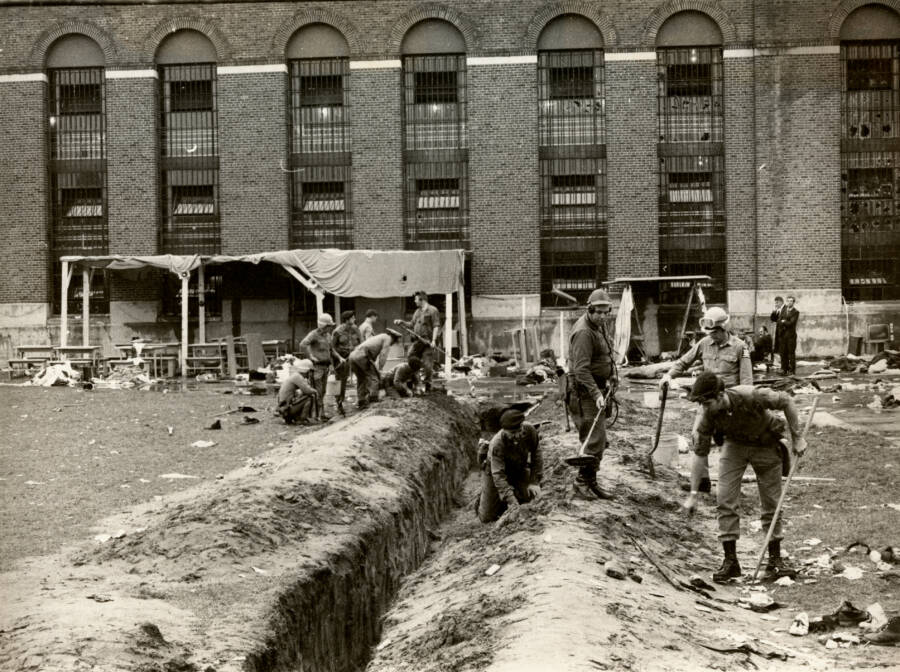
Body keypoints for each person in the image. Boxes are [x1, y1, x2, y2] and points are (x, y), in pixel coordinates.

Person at [684, 372, 806, 583]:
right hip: (735, 446)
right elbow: (700, 453)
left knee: (771, 503)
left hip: (766, 443)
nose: (703, 408)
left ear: (721, 395)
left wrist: (797, 438)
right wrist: (693, 494)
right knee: (725, 499)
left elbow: (786, 400)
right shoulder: (709, 415)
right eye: (701, 404)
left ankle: (775, 560)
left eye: (707, 402)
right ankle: (731, 562)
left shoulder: (752, 395)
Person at [660, 306, 752, 495]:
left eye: (716, 332)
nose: (713, 336)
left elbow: (747, 382)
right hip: (707, 403)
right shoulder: (704, 343)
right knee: (698, 438)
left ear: (725, 328)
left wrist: (743, 407)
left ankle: (730, 485)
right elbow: (684, 361)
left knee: (730, 445)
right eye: (710, 332)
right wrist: (669, 375)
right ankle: (703, 482)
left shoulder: (740, 347)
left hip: (728, 404)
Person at [565, 288, 617, 500]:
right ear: (590, 310)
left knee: (599, 438)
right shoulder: (584, 332)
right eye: (599, 312)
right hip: (585, 392)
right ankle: (581, 482)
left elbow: (605, 355)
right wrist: (596, 393)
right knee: (594, 439)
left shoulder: (598, 326)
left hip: (598, 387)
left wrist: (612, 374)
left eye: (607, 313)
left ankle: (591, 481)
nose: (604, 317)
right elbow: (581, 369)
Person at [476, 409, 543, 524]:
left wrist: (534, 482)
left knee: (531, 498)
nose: (516, 436)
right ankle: (483, 498)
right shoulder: (497, 444)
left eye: (518, 432)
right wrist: (513, 503)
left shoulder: (530, 430)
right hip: (493, 473)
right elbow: (498, 476)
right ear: (504, 431)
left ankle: (512, 492)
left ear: (522, 426)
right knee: (487, 517)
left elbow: (536, 454)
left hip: (518, 469)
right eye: (511, 434)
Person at [394, 291, 442, 390]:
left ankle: (428, 384)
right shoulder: (417, 312)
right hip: (417, 341)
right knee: (411, 359)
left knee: (427, 365)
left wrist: (433, 340)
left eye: (416, 299)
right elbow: (411, 324)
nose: (414, 301)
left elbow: (436, 326)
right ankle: (413, 380)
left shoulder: (433, 310)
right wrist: (401, 322)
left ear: (422, 300)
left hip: (428, 342)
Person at [348, 328, 401, 410]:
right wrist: (380, 369)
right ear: (394, 338)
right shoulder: (388, 339)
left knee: (361, 379)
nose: (392, 344)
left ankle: (361, 401)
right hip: (362, 356)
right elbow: (383, 355)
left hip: (353, 356)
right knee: (374, 378)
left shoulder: (380, 337)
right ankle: (373, 399)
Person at [299, 313, 336, 421]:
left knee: (323, 391)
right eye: (329, 326)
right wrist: (310, 356)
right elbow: (303, 344)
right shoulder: (314, 334)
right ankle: (317, 414)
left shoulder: (328, 336)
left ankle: (321, 413)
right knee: (317, 391)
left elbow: (330, 351)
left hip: (325, 366)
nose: (330, 328)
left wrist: (332, 364)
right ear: (324, 326)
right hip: (317, 368)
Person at [332, 310, 362, 415]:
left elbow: (361, 343)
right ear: (347, 320)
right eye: (353, 318)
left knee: (361, 376)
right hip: (341, 359)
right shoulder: (337, 331)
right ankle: (339, 403)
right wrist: (339, 358)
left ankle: (362, 401)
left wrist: (357, 350)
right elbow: (332, 347)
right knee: (341, 382)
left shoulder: (356, 329)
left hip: (353, 356)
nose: (354, 319)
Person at [276, 359, 318, 425]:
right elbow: (307, 390)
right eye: (310, 371)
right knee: (309, 397)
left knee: (301, 395)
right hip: (286, 409)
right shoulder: (298, 377)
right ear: (306, 370)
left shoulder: (295, 375)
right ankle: (301, 419)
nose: (310, 373)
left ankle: (296, 417)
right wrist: (315, 391)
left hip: (284, 407)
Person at [775, 296, 799, 375]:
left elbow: (791, 323)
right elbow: (778, 320)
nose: (789, 302)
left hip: (791, 336)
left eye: (791, 301)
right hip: (783, 335)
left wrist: (784, 321)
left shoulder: (795, 312)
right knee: (783, 353)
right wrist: (784, 322)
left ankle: (792, 370)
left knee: (791, 353)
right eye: (788, 301)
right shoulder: (784, 310)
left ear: (793, 302)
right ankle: (784, 369)